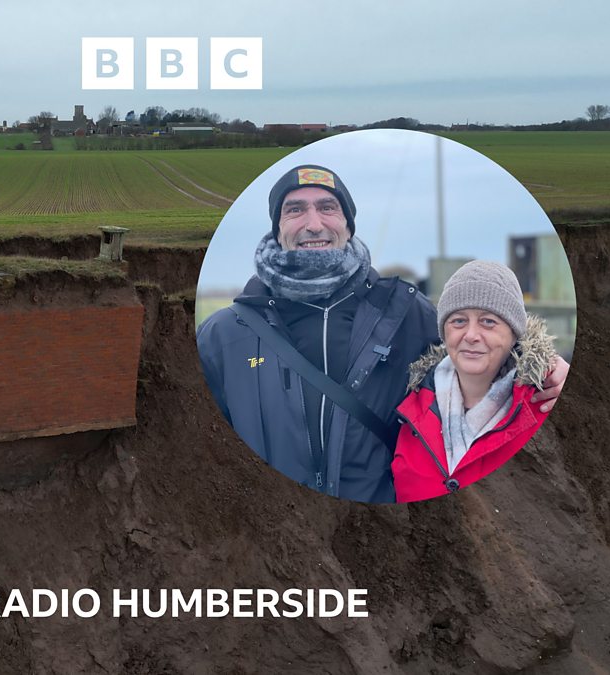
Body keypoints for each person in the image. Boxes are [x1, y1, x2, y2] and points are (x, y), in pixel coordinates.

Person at [196, 164, 567, 503]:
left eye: (328, 207)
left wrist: (545, 367)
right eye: (294, 210)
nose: (314, 224)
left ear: (348, 224)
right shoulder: (224, 335)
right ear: (277, 229)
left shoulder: (406, 312)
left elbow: (480, 365)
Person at [392, 260, 557, 503]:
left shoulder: (543, 408)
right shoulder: (411, 414)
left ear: (514, 333)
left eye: (488, 321)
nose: (471, 335)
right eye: (458, 321)